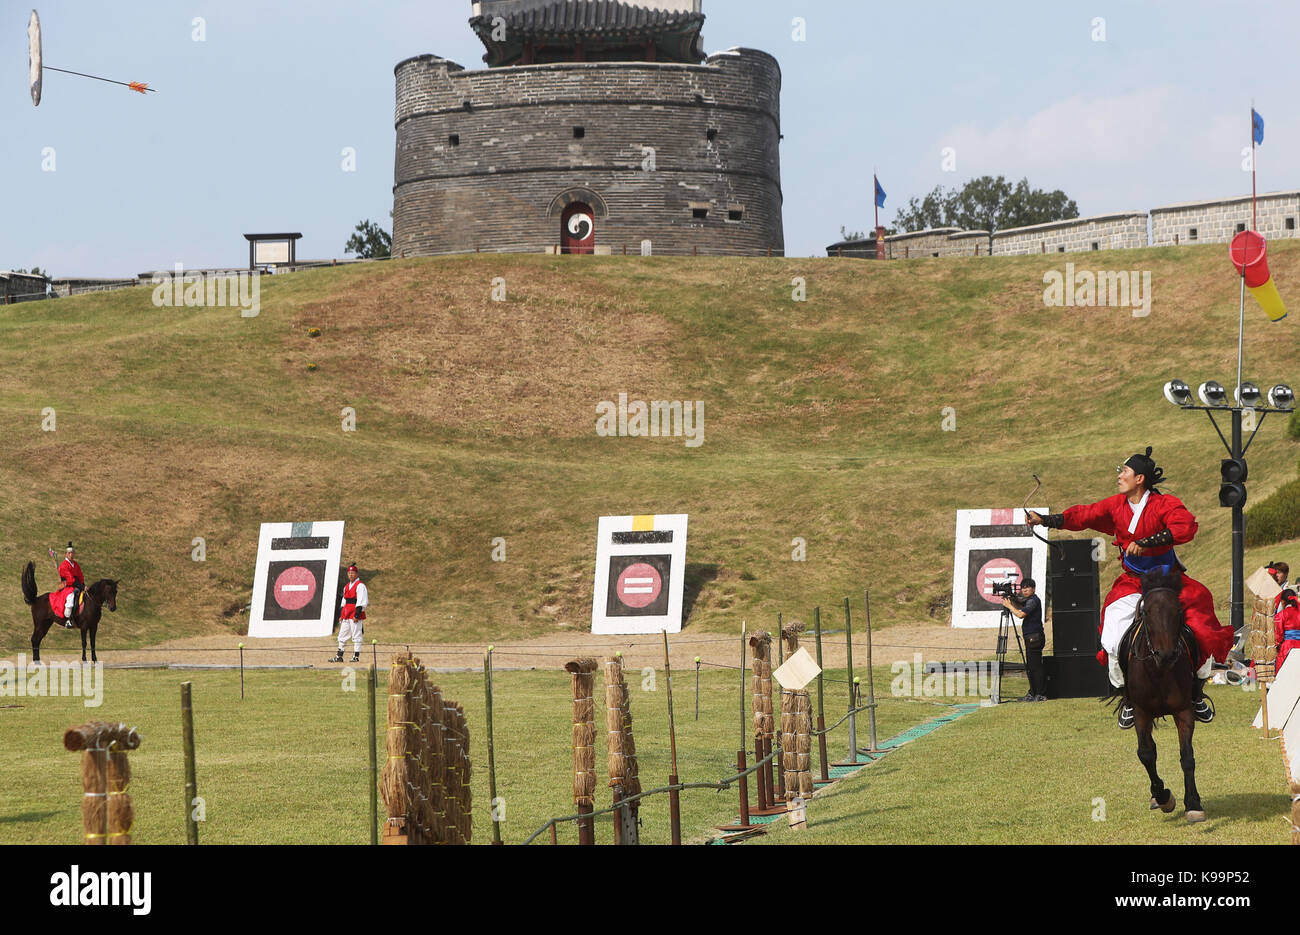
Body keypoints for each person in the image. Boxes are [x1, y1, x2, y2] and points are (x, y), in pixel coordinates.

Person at [1027, 447, 1233, 729]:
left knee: (1203, 629)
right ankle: (1127, 696)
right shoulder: (1115, 506)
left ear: (1140, 478)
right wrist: (1047, 520)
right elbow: (1085, 515)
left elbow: (1186, 527)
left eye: (1124, 471)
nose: (1119, 476)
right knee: (1112, 637)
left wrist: (1147, 542)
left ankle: (1196, 693)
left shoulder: (1165, 504)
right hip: (1133, 582)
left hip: (1169, 580)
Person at [1001, 578, 1045, 701]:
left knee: (1035, 666)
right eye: (1023, 588)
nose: (1024, 590)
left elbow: (1020, 614)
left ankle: (1040, 694)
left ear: (1033, 589)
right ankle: (1033, 692)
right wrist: (1012, 600)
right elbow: (1020, 606)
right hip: (1031, 637)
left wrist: (1009, 605)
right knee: (1031, 666)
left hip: (1034, 637)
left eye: (1027, 587)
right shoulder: (1029, 601)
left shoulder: (1033, 601)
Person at [330, 563, 367, 663]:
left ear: (356, 574)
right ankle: (339, 656)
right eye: (349, 573)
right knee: (342, 634)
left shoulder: (360, 586)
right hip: (347, 613)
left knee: (356, 634)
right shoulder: (346, 587)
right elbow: (344, 601)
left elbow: (361, 601)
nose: (351, 575)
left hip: (355, 612)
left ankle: (356, 656)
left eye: (353, 573)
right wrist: (342, 615)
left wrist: (357, 614)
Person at [57, 542, 84, 629]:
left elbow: (80, 576)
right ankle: (68, 619)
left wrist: (83, 585)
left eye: (72, 553)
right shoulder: (64, 565)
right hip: (68, 586)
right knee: (71, 598)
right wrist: (81, 586)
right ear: (66, 554)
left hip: (77, 585)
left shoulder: (76, 564)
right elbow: (70, 579)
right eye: (69, 553)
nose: (71, 555)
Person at [1275, 589, 1300, 673]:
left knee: (1284, 672)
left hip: (1288, 646)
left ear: (1282, 601)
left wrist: (1276, 645)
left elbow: (1278, 635)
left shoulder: (1281, 615)